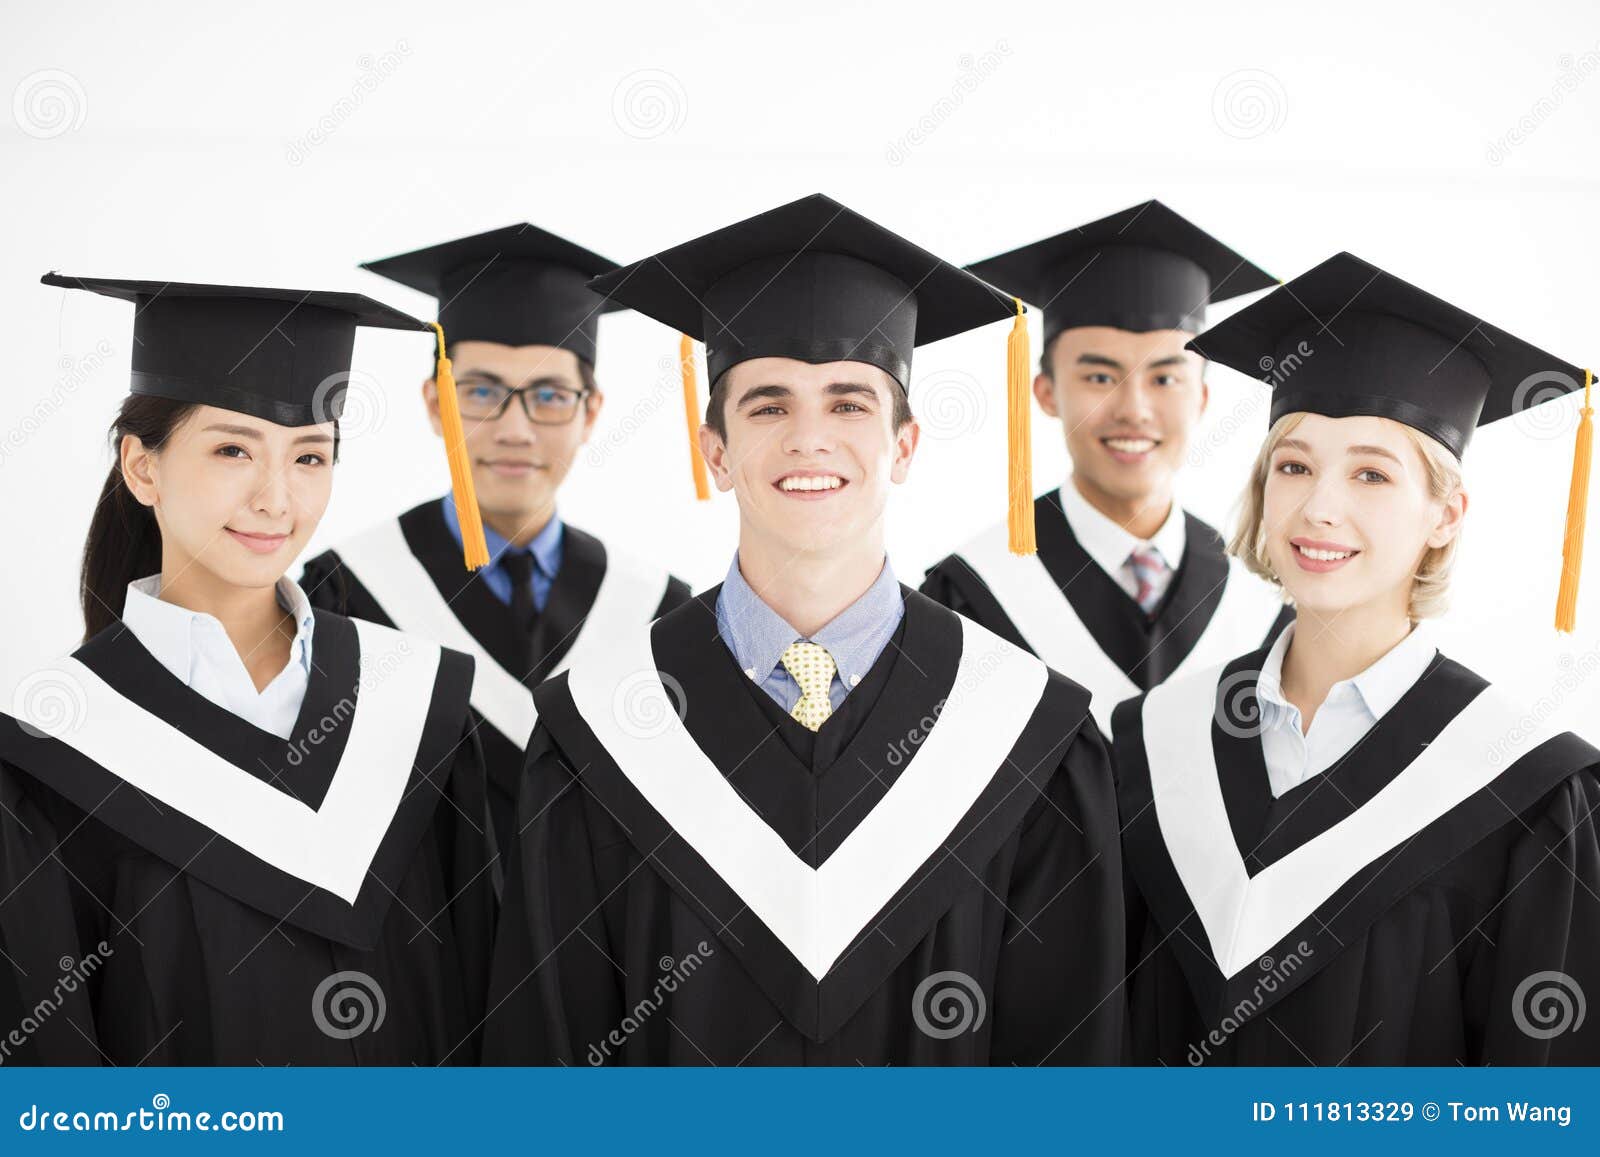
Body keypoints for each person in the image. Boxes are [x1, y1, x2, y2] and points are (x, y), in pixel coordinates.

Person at [482, 194, 1125, 1065]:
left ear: (905, 445)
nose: (810, 439)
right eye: (769, 405)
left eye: (852, 403)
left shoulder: (1024, 729)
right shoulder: (601, 726)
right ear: (714, 448)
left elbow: (1066, 1078)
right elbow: (549, 1060)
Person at [1113, 252, 1600, 1064]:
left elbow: (1541, 1100)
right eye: (1295, 466)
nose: (1320, 507)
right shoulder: (1152, 743)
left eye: (1372, 473)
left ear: (1446, 514)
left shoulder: (1526, 791)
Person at [0, 276, 496, 1065]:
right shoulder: (50, 749)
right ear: (142, 468)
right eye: (232, 449)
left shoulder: (417, 702)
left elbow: (491, 1009)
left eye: (309, 455)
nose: (276, 497)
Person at [299, 224, 692, 857]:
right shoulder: (342, 591)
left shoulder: (657, 612)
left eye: (549, 395)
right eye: (480, 392)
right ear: (435, 403)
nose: (515, 429)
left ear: (591, 412)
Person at [922, 201, 1290, 734]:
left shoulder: (1261, 596)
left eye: (1165, 379)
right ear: (1045, 393)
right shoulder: (970, 595)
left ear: (1203, 396)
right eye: (1099, 378)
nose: (1133, 410)